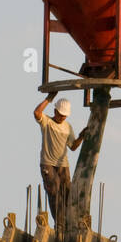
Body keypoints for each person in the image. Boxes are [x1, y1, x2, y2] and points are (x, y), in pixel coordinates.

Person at [32, 93, 90, 232]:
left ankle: (71, 222)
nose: (62, 117)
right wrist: (49, 98)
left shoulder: (67, 127)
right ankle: (60, 225)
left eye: (64, 115)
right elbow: (37, 112)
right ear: (55, 111)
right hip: (48, 163)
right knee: (54, 190)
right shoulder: (47, 122)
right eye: (60, 114)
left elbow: (73, 146)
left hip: (63, 165)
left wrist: (81, 136)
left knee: (68, 192)